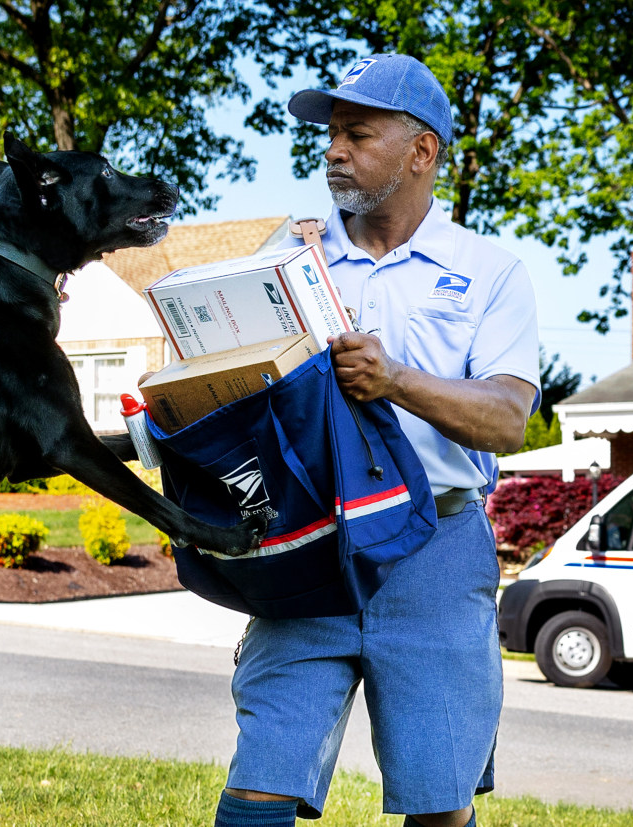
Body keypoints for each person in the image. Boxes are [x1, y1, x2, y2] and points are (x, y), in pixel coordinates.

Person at [212, 54, 540, 827]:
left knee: (438, 799)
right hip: (312, 548)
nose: (334, 150)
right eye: (331, 135)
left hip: (438, 549)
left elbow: (507, 417)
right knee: (261, 780)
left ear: (422, 151)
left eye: (357, 134)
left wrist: (394, 378)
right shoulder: (286, 261)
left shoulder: (490, 272)